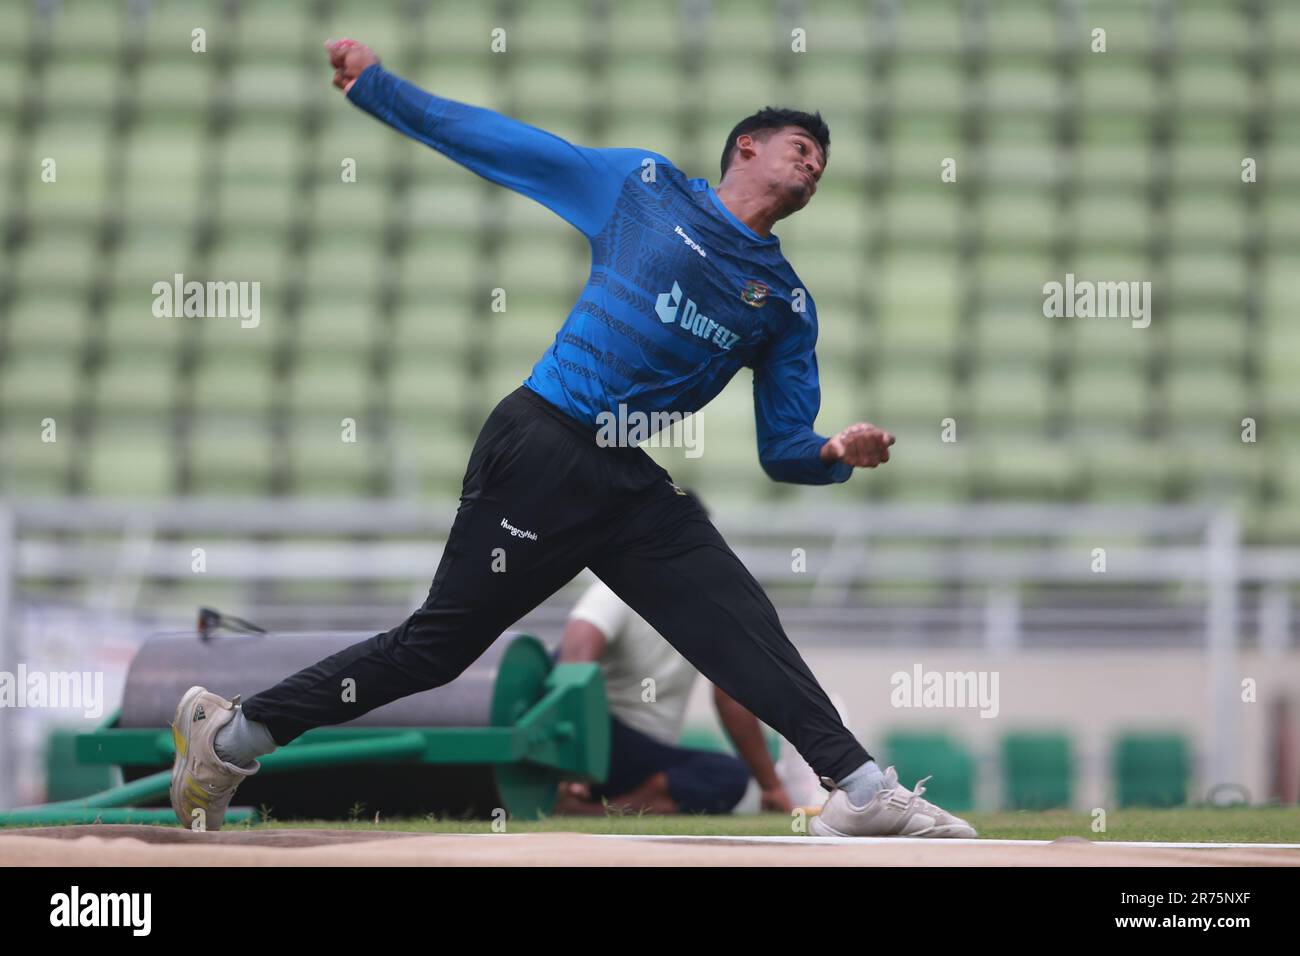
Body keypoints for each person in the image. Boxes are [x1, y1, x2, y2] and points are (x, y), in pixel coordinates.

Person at [168, 38, 976, 840]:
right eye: (801, 149)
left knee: (738, 620)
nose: (813, 168)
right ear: (746, 147)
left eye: (822, 166)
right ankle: (231, 737)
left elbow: (783, 447)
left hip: (626, 485)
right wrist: (380, 89)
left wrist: (834, 453)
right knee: (434, 651)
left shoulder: (785, 306)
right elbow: (505, 145)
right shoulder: (644, 188)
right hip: (542, 443)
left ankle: (862, 787)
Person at [554, 569, 793, 816]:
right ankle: (594, 804)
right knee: (554, 664)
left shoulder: (712, 613)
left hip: (637, 759)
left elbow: (730, 698)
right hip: (593, 734)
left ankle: (589, 808)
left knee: (727, 774)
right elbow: (573, 668)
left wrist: (771, 786)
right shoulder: (613, 594)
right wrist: (576, 755)